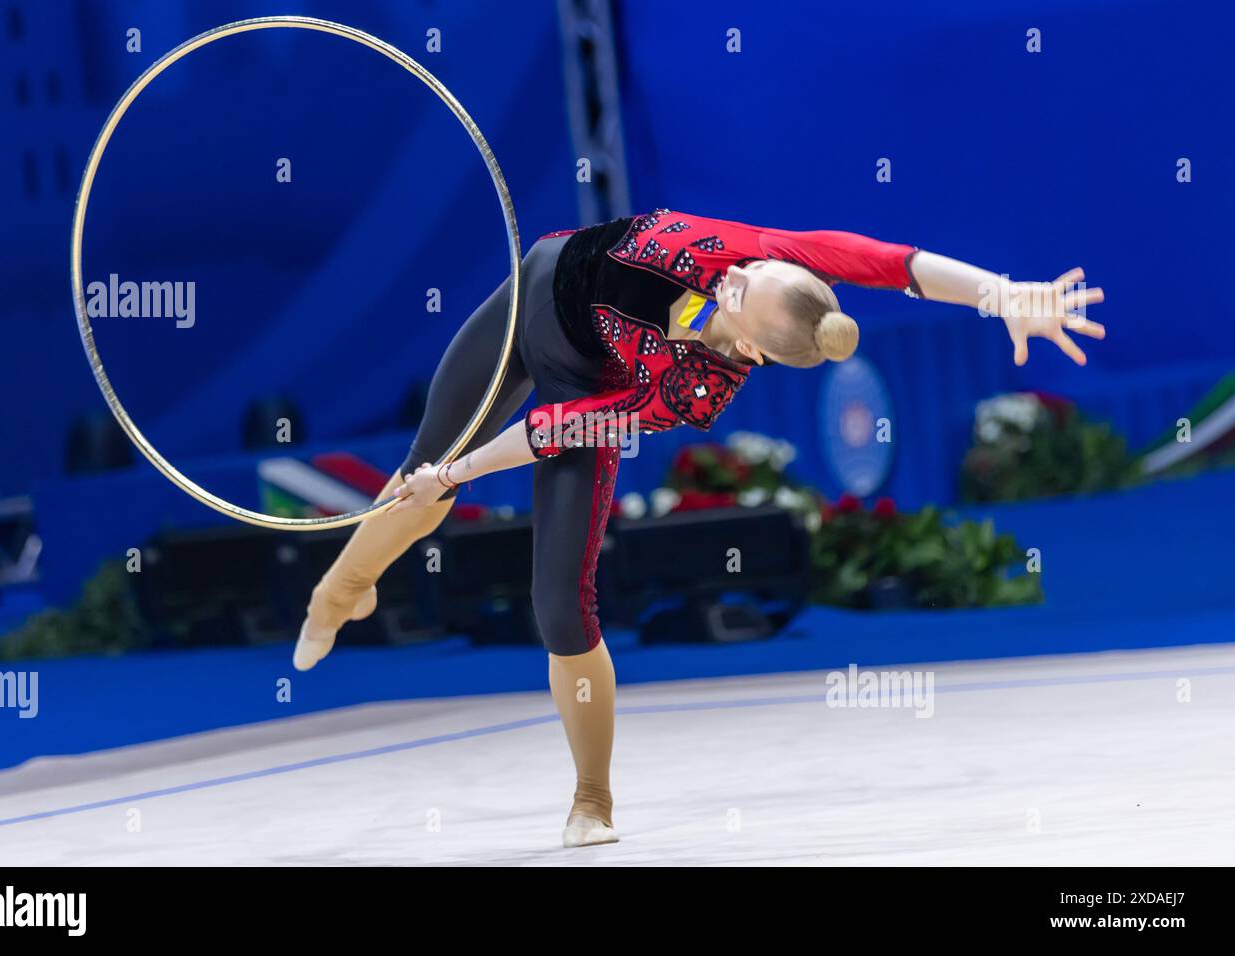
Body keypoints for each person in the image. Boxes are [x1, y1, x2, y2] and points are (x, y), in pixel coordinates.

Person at [293, 208, 1105, 847]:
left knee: (560, 607)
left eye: (745, 285)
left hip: (587, 385)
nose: (740, 269)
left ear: (749, 342)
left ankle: (591, 796)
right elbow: (891, 264)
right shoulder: (757, 255)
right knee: (415, 481)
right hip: (528, 299)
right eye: (754, 267)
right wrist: (1002, 293)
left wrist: (463, 475)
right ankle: (342, 589)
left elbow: (566, 427)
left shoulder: (694, 390)